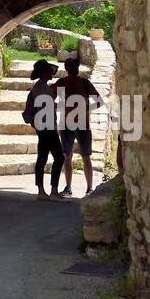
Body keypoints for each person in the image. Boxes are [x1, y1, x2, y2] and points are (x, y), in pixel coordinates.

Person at [54, 56, 102, 197]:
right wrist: (86, 108)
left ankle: (75, 188)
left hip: (70, 123)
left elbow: (50, 97)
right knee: (81, 157)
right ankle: (85, 188)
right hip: (79, 123)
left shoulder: (64, 83)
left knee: (71, 157)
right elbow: (98, 102)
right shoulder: (82, 83)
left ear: (66, 68)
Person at [22, 58, 64, 200]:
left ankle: (41, 191)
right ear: (44, 73)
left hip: (43, 127)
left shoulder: (40, 87)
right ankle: (53, 191)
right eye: (48, 71)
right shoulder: (42, 89)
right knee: (59, 157)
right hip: (48, 127)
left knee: (42, 158)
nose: (51, 73)